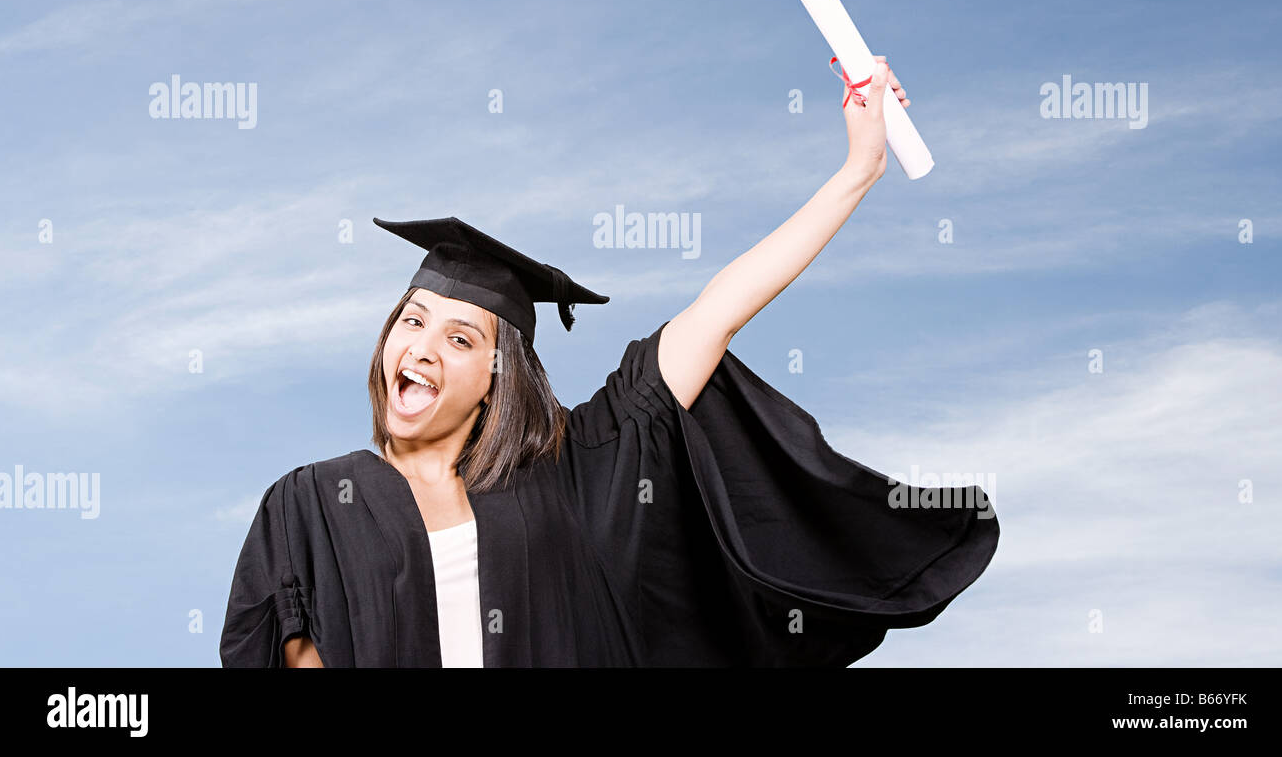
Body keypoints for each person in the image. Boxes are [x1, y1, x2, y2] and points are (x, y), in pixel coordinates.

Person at [219, 57, 999, 667]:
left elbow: (715, 313)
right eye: (413, 321)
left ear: (496, 375)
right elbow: (291, 651)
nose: (422, 344)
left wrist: (858, 169)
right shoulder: (313, 501)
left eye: (461, 337)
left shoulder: (569, 474)